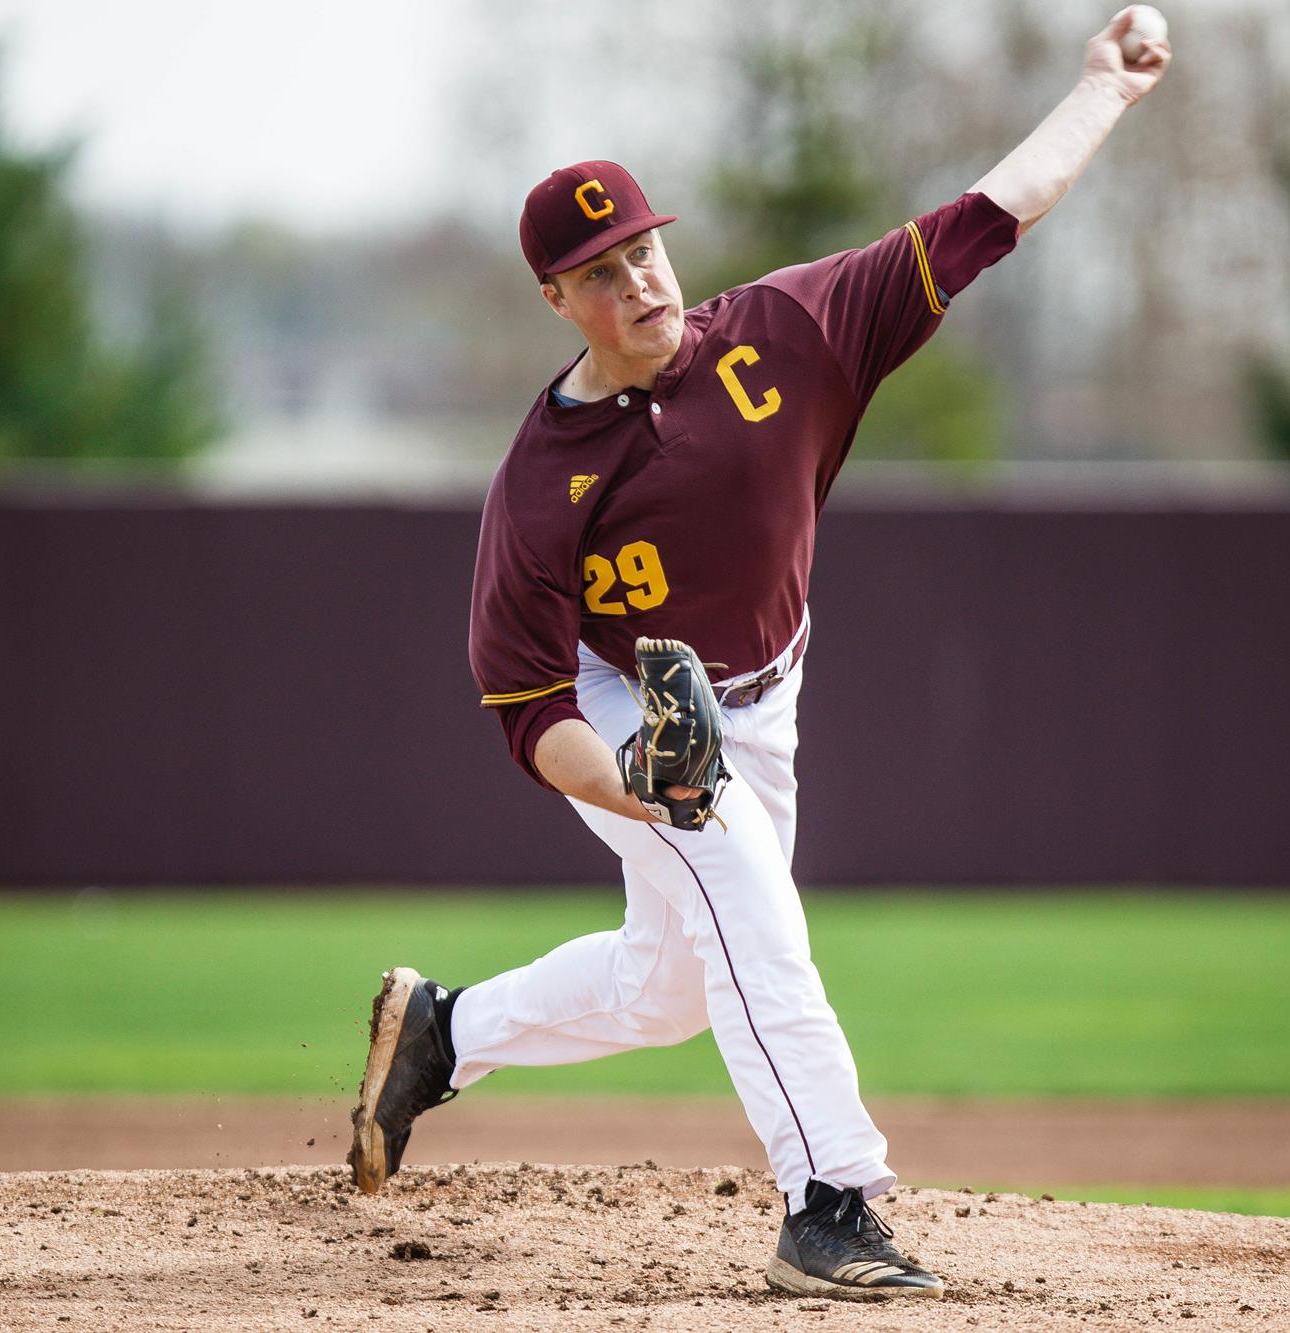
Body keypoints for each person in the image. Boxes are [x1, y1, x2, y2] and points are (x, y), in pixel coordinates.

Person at [348, 13, 1171, 1299]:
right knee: (755, 913)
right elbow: (521, 703)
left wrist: (1100, 95)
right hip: (635, 707)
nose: (639, 283)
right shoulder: (539, 482)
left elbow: (985, 219)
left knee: (674, 983)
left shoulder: (794, 328)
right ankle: (826, 1199)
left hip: (763, 693)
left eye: (643, 249)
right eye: (601, 271)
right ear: (556, 299)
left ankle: (447, 1034)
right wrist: (645, 781)